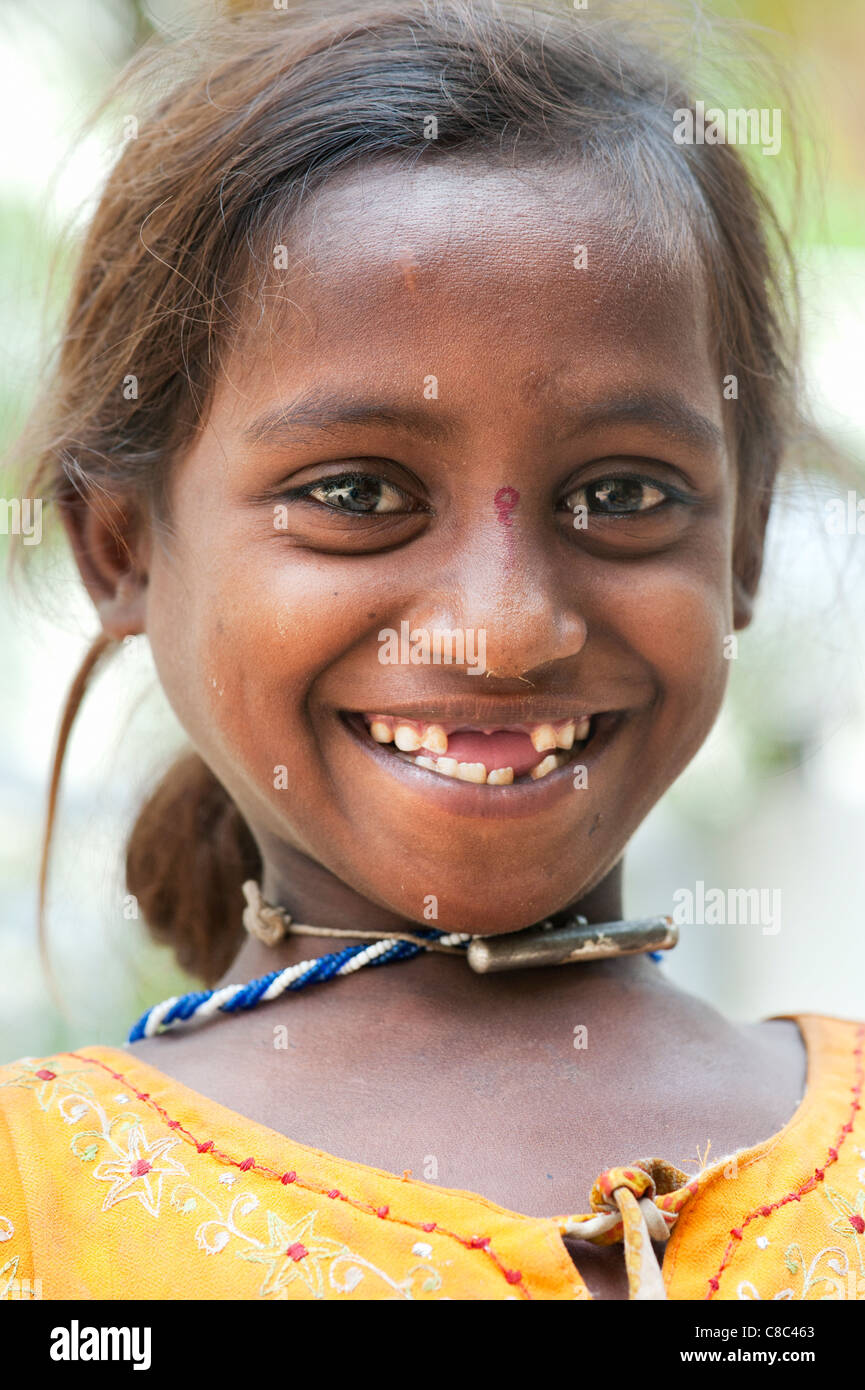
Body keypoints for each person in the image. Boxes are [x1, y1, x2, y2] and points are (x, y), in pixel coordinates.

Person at [2, 0, 862, 1303]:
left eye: (622, 494)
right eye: (356, 494)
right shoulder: (38, 1201)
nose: (506, 625)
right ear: (122, 546)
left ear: (739, 545)